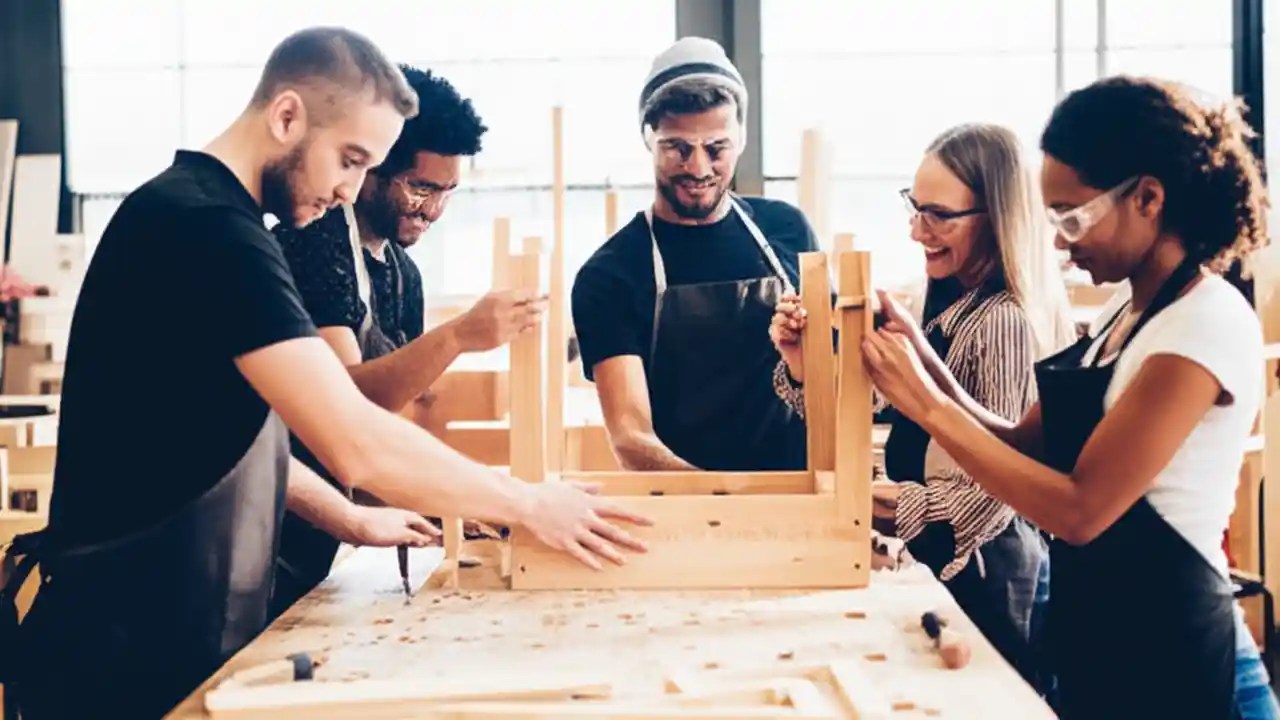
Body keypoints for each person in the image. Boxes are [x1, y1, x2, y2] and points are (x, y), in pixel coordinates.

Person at [0, 27, 649, 719]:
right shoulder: (211, 231)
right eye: (350, 159)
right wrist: (523, 502)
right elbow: (352, 433)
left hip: (156, 625)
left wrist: (347, 517)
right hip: (121, 650)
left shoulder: (199, 213)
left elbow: (229, 428)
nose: (349, 190)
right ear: (286, 117)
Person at [861, 75, 1269, 719]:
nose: (1057, 238)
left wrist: (925, 405)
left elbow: (1081, 510)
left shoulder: (1202, 324)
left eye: (1072, 217)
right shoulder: (1124, 312)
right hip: (1105, 651)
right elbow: (1027, 444)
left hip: (1181, 664)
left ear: (1148, 199)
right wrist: (920, 355)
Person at [769, 123, 1075, 687]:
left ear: (995, 217)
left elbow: (992, 498)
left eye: (938, 215)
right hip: (947, 563)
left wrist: (875, 501)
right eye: (914, 208)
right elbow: (870, 407)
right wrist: (802, 360)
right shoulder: (943, 308)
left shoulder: (1001, 321)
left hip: (987, 572)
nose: (916, 230)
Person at [268, 65, 538, 617]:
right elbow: (345, 408)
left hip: (331, 524)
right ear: (370, 168)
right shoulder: (313, 240)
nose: (433, 210)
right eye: (420, 188)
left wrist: (447, 505)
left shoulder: (400, 273)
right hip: (266, 522)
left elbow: (386, 431)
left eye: (447, 193)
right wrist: (460, 335)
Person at [571, 36, 818, 472]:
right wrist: (717, 503)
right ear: (649, 140)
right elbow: (631, 438)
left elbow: (827, 380)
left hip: (798, 493)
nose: (699, 168)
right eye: (677, 148)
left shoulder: (787, 231)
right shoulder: (610, 275)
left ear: (740, 139)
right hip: (682, 508)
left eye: (716, 148)